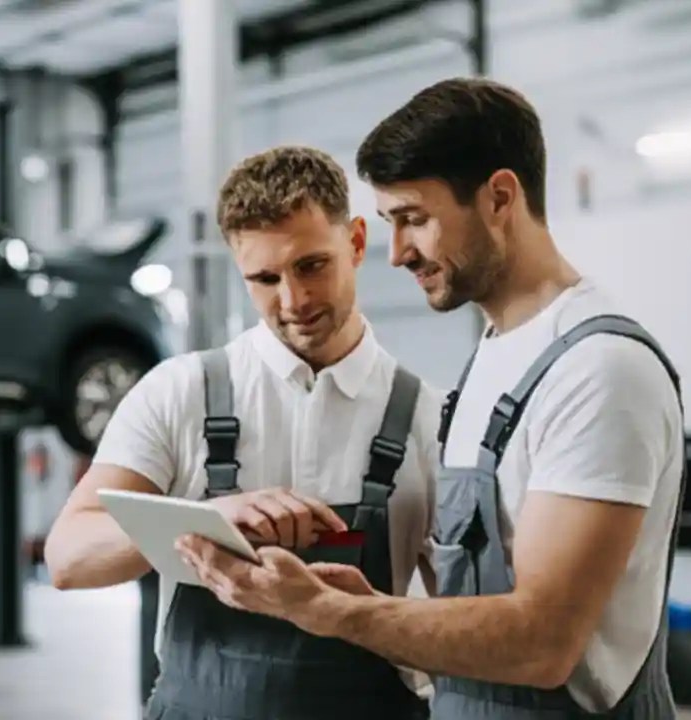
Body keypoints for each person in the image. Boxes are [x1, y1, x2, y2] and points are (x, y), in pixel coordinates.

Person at [176, 77, 686, 719]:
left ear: (499, 198)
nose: (396, 254)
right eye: (390, 223)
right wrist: (367, 604)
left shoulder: (599, 371)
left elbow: (542, 642)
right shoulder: (493, 360)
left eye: (414, 219)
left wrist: (329, 611)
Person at [43, 145, 444, 720]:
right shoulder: (179, 393)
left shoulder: (428, 418)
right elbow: (68, 557)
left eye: (312, 265)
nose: (293, 300)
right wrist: (204, 522)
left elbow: (468, 615)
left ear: (356, 242)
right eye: (265, 278)